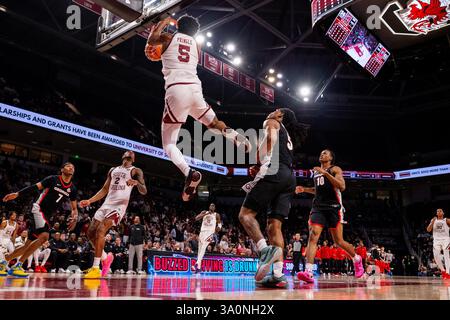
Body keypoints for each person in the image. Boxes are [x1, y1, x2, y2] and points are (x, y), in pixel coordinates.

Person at [145, 15, 251, 201]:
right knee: (213, 123)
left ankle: (189, 173)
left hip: (177, 89)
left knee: (168, 143)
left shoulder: (168, 38)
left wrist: (163, 21)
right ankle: (235, 136)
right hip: (195, 89)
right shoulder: (197, 45)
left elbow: (152, 40)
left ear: (177, 25)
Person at [238, 108, 308, 288]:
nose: (273, 110)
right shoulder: (289, 136)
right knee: (274, 227)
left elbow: (270, 139)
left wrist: (257, 162)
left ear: (280, 116)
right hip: (289, 178)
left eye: (277, 110)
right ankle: (278, 275)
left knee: (245, 215)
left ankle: (264, 251)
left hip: (274, 170)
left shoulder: (272, 122)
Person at [296, 150, 364, 283]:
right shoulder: (316, 172)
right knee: (313, 234)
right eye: (321, 153)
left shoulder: (335, 169)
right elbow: (318, 190)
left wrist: (326, 173)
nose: (322, 154)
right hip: (318, 208)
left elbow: (342, 186)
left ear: (331, 158)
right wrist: (305, 189)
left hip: (334, 208)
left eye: (325, 153)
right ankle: (308, 272)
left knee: (338, 241)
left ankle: (357, 259)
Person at [1, 162, 78, 277]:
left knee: (27, 245)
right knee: (45, 236)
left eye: (72, 167)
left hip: (47, 216)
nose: (70, 167)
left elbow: (74, 208)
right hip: (38, 209)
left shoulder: (72, 189)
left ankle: (4, 262)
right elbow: (33, 187)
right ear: (62, 169)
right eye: (68, 166)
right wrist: (17, 194)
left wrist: (75, 218)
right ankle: (18, 265)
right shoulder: (52, 179)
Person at [80, 151, 147, 279]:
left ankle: (95, 268)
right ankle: (105, 258)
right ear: (122, 157)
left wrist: (136, 183)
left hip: (119, 206)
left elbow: (144, 190)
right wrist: (89, 200)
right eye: (126, 156)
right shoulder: (113, 169)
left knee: (101, 231)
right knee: (90, 233)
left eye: (130, 157)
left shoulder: (136, 171)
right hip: (106, 204)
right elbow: (105, 189)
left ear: (133, 159)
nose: (128, 158)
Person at [193, 203, 221, 273]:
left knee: (204, 246)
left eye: (213, 206)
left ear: (215, 208)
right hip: (202, 232)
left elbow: (220, 225)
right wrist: (205, 214)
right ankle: (198, 268)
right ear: (209, 206)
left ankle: (196, 264)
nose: (212, 206)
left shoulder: (216, 215)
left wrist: (217, 230)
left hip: (210, 233)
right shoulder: (204, 212)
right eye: (211, 205)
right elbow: (196, 218)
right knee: (200, 249)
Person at [426, 208, 450, 279]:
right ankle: (443, 270)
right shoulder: (433, 220)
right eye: (437, 211)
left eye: (440, 211)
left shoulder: (446, 220)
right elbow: (428, 230)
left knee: (446, 255)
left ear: (443, 213)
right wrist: (432, 222)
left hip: (445, 239)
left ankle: (448, 273)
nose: (439, 212)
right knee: (436, 256)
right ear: (436, 213)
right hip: (436, 240)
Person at [0, 211, 18, 276]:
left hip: (8, 239)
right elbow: (0, 233)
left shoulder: (16, 224)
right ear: (10, 216)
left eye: (15, 215)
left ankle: (5, 266)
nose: (15, 216)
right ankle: (6, 268)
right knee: (2, 252)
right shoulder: (4, 222)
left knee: (12, 252)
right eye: (14, 215)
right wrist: (1, 242)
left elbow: (14, 236)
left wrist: (13, 243)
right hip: (2, 238)